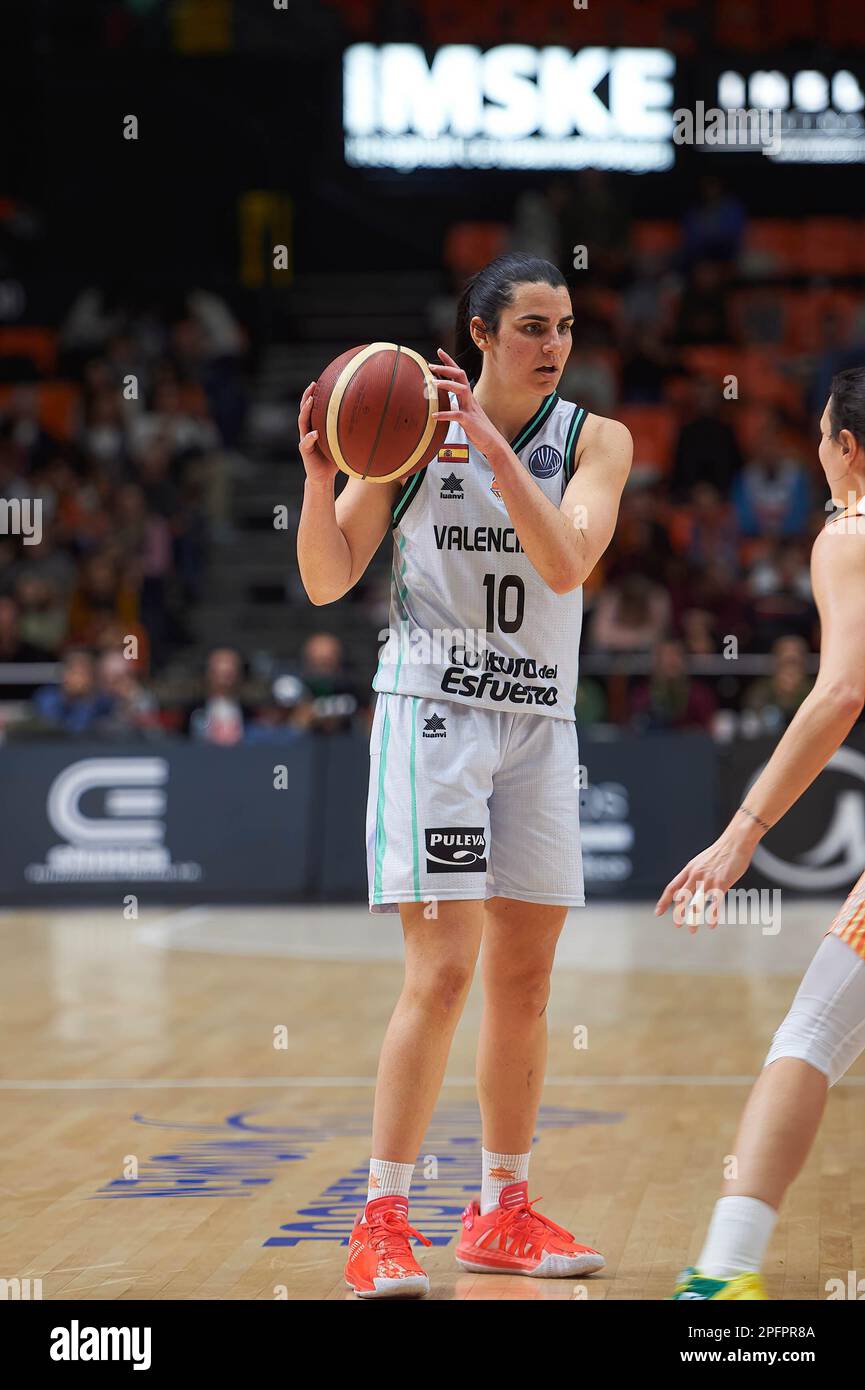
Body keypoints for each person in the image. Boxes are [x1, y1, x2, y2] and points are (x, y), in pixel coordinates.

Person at [296, 252, 632, 1298]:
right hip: (433, 714)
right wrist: (321, 481)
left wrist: (490, 445)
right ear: (478, 334)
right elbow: (323, 578)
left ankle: (501, 1210)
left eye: (565, 326)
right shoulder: (406, 430)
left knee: (524, 980)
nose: (554, 347)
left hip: (540, 720)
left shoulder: (596, 440)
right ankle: (380, 1218)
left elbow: (568, 562)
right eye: (531, 327)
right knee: (442, 972)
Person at [656, 366, 865, 1300]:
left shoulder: (847, 531)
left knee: (810, 1033)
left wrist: (743, 830)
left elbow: (839, 693)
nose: (818, 452)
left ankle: (725, 1271)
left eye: (823, 435)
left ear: (845, 449)